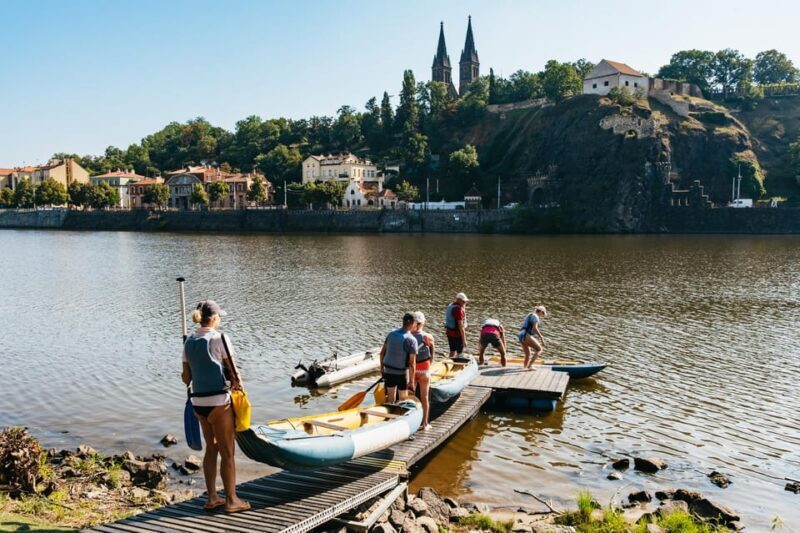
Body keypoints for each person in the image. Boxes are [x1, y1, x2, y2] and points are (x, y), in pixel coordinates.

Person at [181, 300, 250, 514]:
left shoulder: (189, 341)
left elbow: (186, 378)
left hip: (198, 403)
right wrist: (239, 385)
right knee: (228, 452)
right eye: (219, 316)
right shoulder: (220, 338)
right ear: (214, 318)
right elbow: (233, 372)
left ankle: (212, 497)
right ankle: (231, 500)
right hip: (219, 402)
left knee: (211, 448)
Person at [379, 313, 418, 404]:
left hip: (388, 371)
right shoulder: (412, 340)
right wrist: (411, 382)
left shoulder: (391, 334)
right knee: (403, 400)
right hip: (402, 374)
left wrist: (382, 370)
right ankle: (401, 415)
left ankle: (389, 415)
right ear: (413, 323)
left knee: (390, 398)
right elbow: (412, 363)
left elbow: (382, 354)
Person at [411, 311, 435, 431]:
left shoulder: (408, 336)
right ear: (422, 323)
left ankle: (411, 423)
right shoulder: (428, 337)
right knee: (424, 397)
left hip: (411, 371)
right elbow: (432, 353)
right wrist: (429, 364)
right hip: (424, 371)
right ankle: (425, 424)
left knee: (410, 397)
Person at [444, 293, 469, 357]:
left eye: (465, 301)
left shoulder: (451, 305)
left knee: (452, 351)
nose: (464, 303)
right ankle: (459, 365)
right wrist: (464, 341)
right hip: (457, 335)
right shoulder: (458, 310)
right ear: (458, 300)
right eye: (463, 301)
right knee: (460, 352)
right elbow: (461, 326)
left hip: (449, 333)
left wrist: (463, 306)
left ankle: (450, 360)